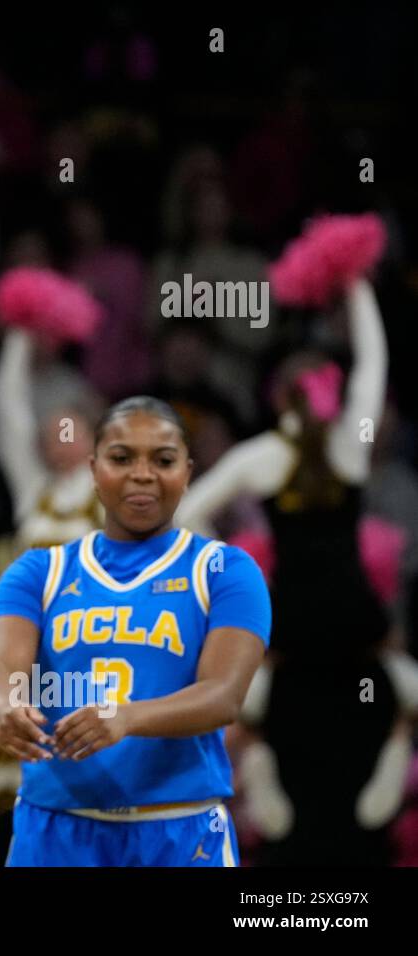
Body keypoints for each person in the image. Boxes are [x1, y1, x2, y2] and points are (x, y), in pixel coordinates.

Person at [175, 277, 418, 864]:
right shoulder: (348, 448)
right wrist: (356, 284)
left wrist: (229, 574)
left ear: (280, 399)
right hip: (355, 627)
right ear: (329, 396)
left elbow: (186, 514)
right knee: (389, 700)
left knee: (276, 716)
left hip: (293, 631)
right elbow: (375, 367)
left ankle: (263, 766)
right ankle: (393, 750)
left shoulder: (259, 457)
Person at [0, 396, 270, 866]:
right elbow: (0, 671)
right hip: (55, 825)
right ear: (93, 470)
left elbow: (223, 696)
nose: (142, 474)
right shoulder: (39, 570)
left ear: (188, 472)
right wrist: (4, 711)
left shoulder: (224, 570)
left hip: (179, 827)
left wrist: (126, 718)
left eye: (163, 459)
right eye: (121, 458)